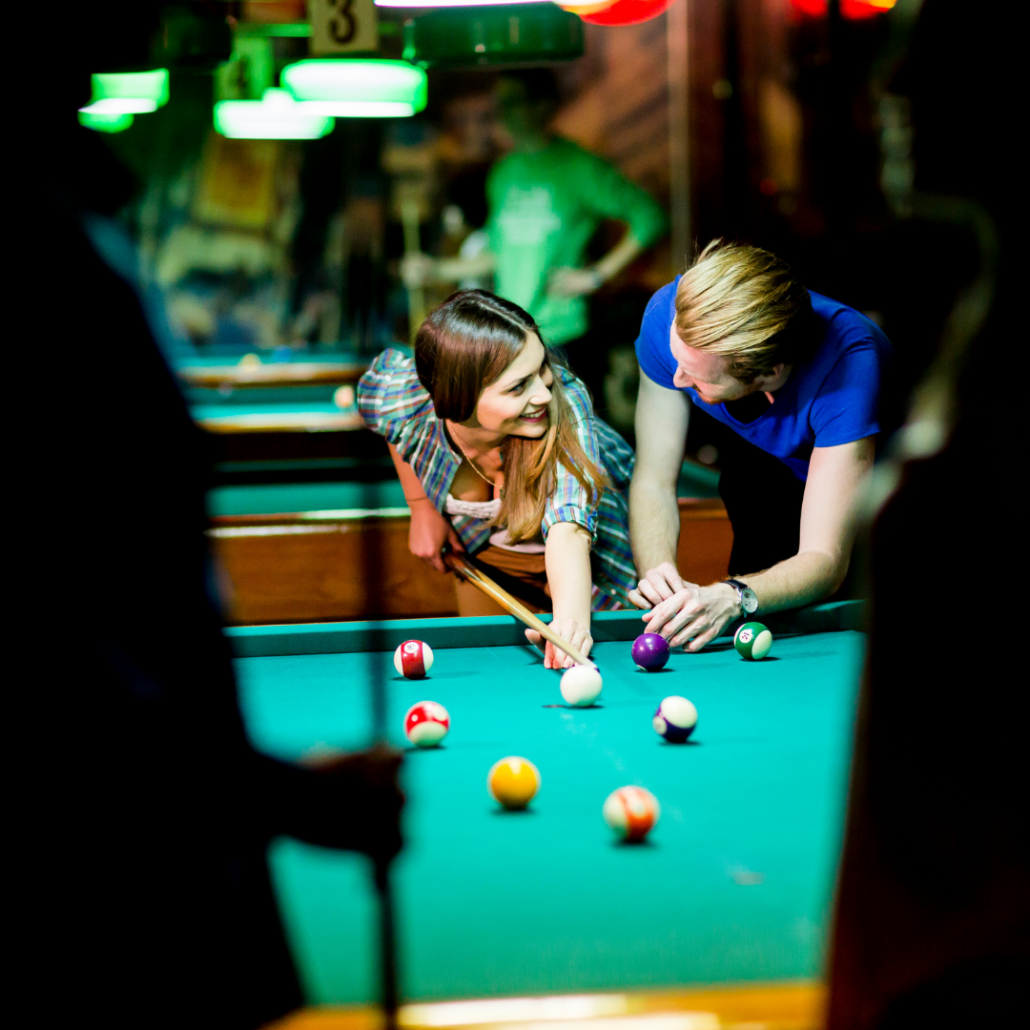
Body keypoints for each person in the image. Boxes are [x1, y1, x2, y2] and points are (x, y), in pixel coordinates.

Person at [19, 14, 404, 1027]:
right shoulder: (31, 249)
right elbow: (60, 661)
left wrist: (262, 793)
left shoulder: (72, 217)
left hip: (157, 881)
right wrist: (279, 796)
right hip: (111, 920)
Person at [629, 241, 892, 649]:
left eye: (698, 376)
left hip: (878, 493)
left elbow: (824, 560)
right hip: (763, 468)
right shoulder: (671, 316)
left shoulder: (849, 367)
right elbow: (653, 480)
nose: (676, 379)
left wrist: (734, 594)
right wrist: (659, 578)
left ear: (769, 373)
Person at [358, 290, 636, 669]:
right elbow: (381, 409)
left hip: (592, 559)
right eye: (518, 386)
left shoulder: (565, 405)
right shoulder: (409, 396)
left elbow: (569, 528)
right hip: (488, 556)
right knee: (491, 673)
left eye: (542, 368)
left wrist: (569, 622)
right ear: (458, 397)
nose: (543, 392)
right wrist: (421, 508)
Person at [402, 71, 668, 406]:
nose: (501, 113)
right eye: (499, 105)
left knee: (572, 443)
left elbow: (650, 217)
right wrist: (434, 269)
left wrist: (595, 275)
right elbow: (497, 252)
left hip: (563, 335)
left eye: (511, 103)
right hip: (512, 335)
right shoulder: (504, 173)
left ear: (543, 107)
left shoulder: (579, 167)